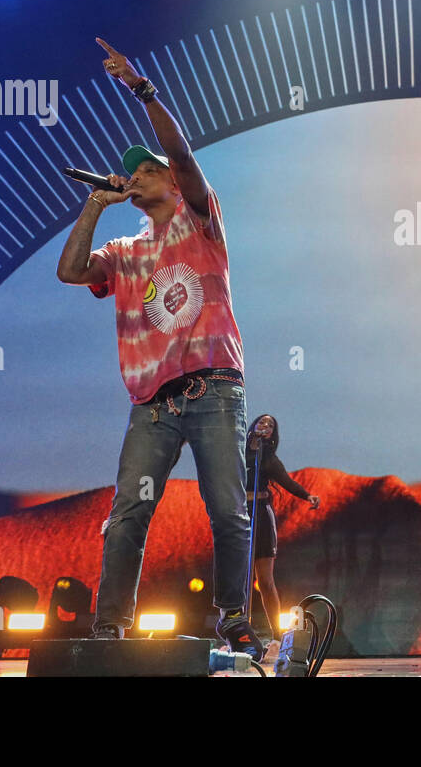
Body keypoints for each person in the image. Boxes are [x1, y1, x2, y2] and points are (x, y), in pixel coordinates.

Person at [56, 38, 261, 659]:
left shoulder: (200, 219)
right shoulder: (125, 253)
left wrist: (141, 88)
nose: (136, 174)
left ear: (170, 181)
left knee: (228, 511)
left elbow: (180, 153)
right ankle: (111, 625)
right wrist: (96, 201)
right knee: (128, 515)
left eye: (145, 170)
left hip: (214, 390)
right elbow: (69, 272)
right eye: (133, 171)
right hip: (152, 405)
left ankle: (232, 617)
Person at [244, 414, 320, 660]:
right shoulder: (237, 450)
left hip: (262, 517)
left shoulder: (269, 459)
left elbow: (287, 482)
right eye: (261, 422)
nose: (264, 426)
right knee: (238, 579)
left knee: (264, 580)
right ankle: (239, 634)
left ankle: (276, 637)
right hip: (238, 516)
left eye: (270, 425)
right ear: (253, 425)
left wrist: (308, 496)